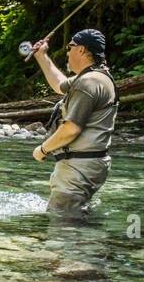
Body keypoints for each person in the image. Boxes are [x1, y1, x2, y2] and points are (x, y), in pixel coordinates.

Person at [30, 28, 118, 217]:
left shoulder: (89, 82)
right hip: (85, 164)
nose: (67, 52)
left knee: (63, 228)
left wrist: (42, 150)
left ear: (82, 49)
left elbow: (71, 129)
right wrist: (41, 56)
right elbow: (59, 84)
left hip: (78, 168)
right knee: (73, 221)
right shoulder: (92, 77)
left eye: (70, 47)